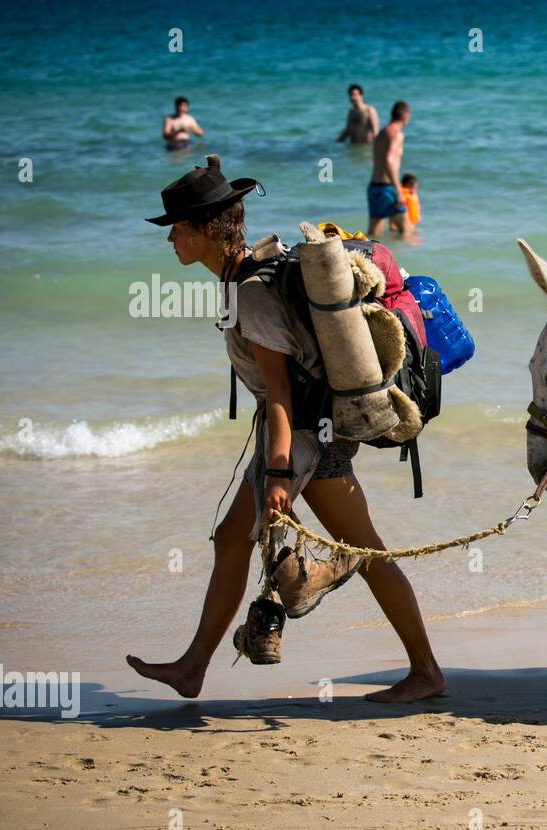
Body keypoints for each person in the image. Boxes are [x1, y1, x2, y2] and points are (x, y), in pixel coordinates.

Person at [127, 154, 445, 704]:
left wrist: (276, 471)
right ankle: (194, 667)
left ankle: (426, 671)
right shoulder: (246, 278)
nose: (171, 240)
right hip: (305, 434)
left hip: (306, 441)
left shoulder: (250, 291)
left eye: (177, 229)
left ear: (205, 230)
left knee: (366, 552)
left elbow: (279, 389)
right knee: (235, 540)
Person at [367, 101, 412, 239]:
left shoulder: (381, 133)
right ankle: (401, 259)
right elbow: (389, 161)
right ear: (406, 116)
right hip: (387, 189)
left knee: (374, 234)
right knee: (407, 231)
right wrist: (398, 191)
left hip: (374, 188)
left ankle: (364, 258)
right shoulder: (397, 134)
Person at [399, 172, 421, 241]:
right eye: (411, 188)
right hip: (404, 221)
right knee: (406, 236)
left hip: (412, 222)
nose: (413, 190)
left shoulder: (413, 195)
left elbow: (417, 207)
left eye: (415, 188)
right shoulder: (403, 196)